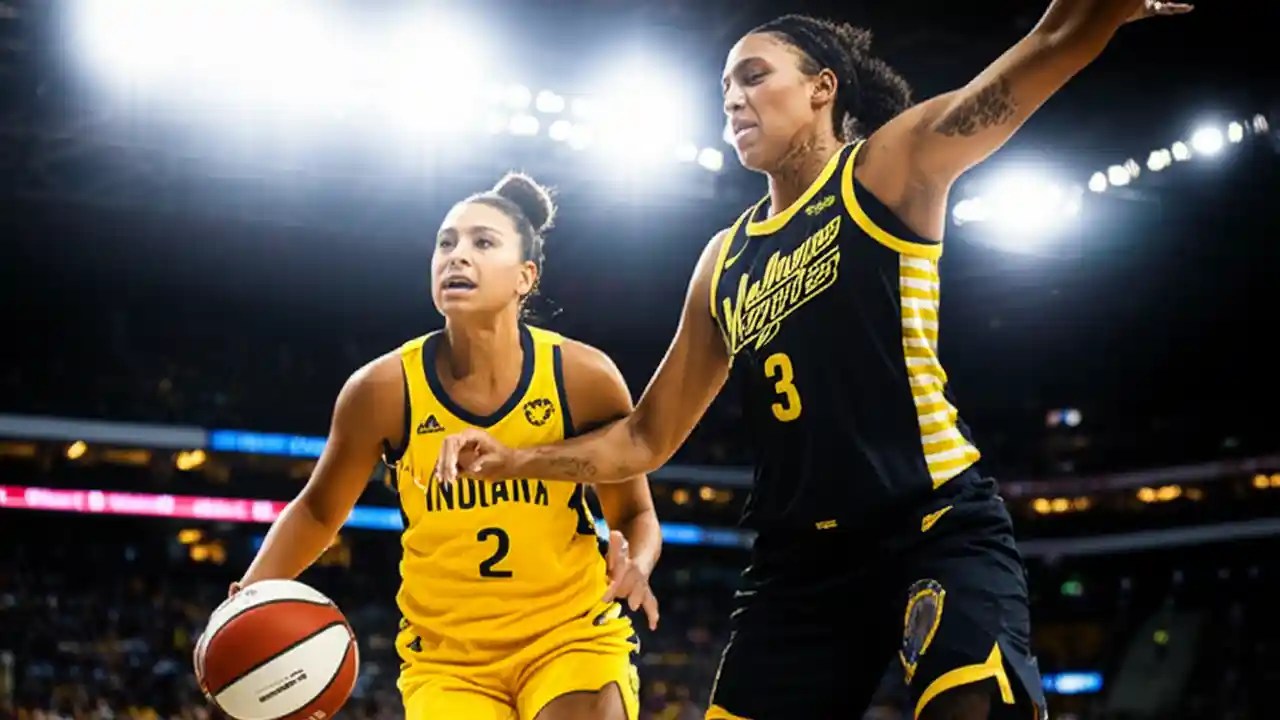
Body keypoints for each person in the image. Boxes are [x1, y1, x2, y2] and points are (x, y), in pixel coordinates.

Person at [438, 1, 1191, 718]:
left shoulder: (887, 168)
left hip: (929, 523)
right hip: (798, 569)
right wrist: (515, 459)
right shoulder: (722, 260)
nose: (732, 97)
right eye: (725, 86)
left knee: (973, 705)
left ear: (822, 88)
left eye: (754, 76)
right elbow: (646, 438)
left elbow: (1047, 49)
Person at [227, 173, 662, 720]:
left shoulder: (583, 377)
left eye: (483, 242)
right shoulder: (380, 391)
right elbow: (318, 511)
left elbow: (635, 511)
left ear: (525, 277)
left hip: (568, 633)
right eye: (446, 243)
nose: (457, 256)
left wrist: (638, 564)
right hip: (449, 661)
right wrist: (249, 594)